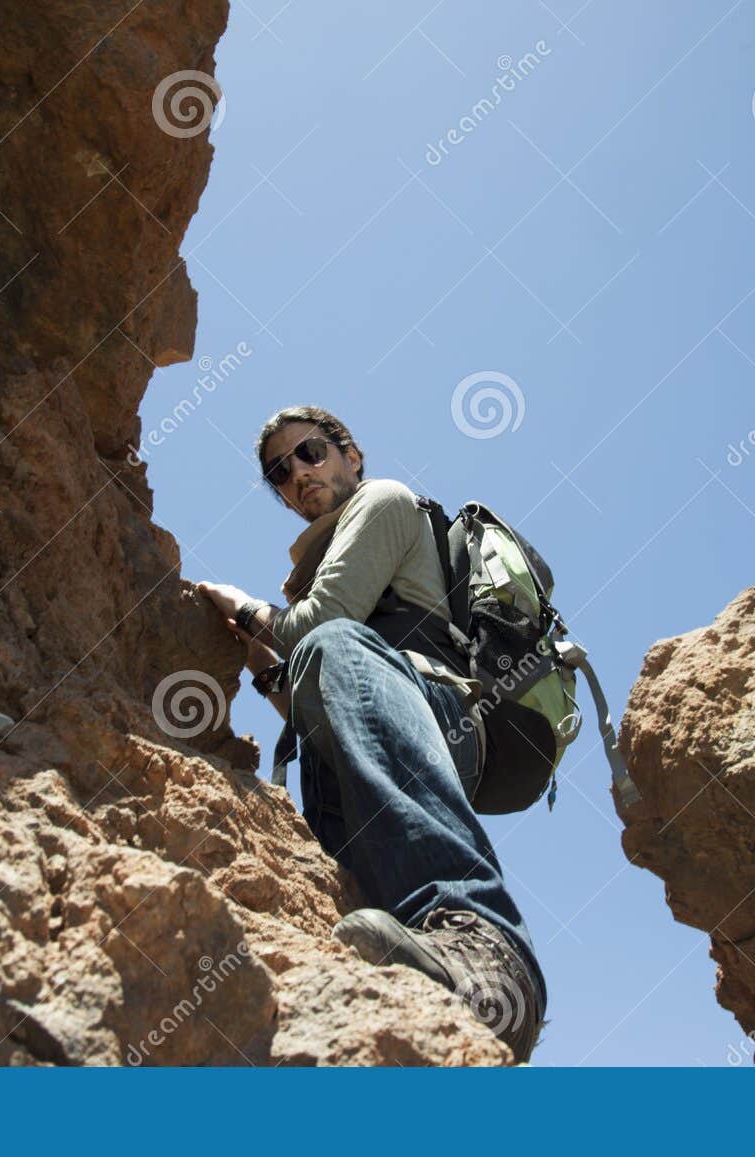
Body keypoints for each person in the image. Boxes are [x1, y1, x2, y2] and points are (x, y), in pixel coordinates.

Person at [194, 405, 546, 1062]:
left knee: (330, 640)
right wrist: (266, 671)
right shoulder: (315, 563)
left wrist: (242, 607)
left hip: (443, 716)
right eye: (279, 471)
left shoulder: (383, 501)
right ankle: (423, 992)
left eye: (311, 451)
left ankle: (489, 951)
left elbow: (323, 626)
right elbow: (326, 704)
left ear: (351, 455)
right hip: (366, 749)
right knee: (361, 926)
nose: (298, 472)